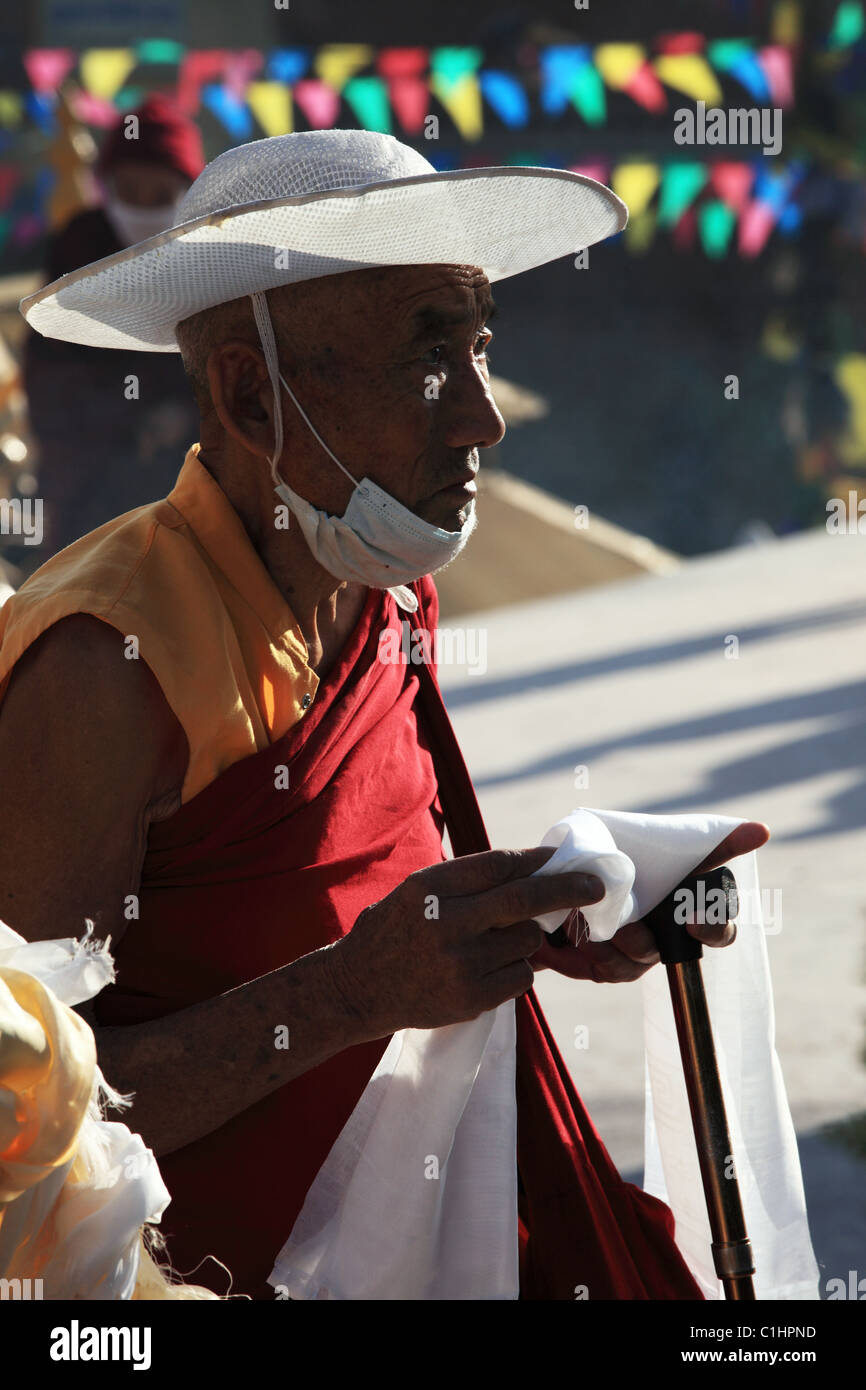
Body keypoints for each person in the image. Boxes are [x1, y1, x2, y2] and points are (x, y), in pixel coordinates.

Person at [0, 129, 768, 1299]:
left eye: (477, 349)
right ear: (252, 393)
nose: (480, 418)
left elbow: (380, 894)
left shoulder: (376, 581)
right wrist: (344, 1000)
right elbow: (20, 1120)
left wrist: (550, 916)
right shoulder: (107, 664)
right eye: (427, 359)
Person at [21, 95, 203, 564]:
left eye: (158, 194)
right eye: (130, 192)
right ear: (108, 187)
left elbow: (228, 355)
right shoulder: (79, 244)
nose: (143, 207)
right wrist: (127, 421)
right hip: (88, 476)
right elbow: (47, 365)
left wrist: (186, 414)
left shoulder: (204, 255)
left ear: (185, 193)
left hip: (191, 475)